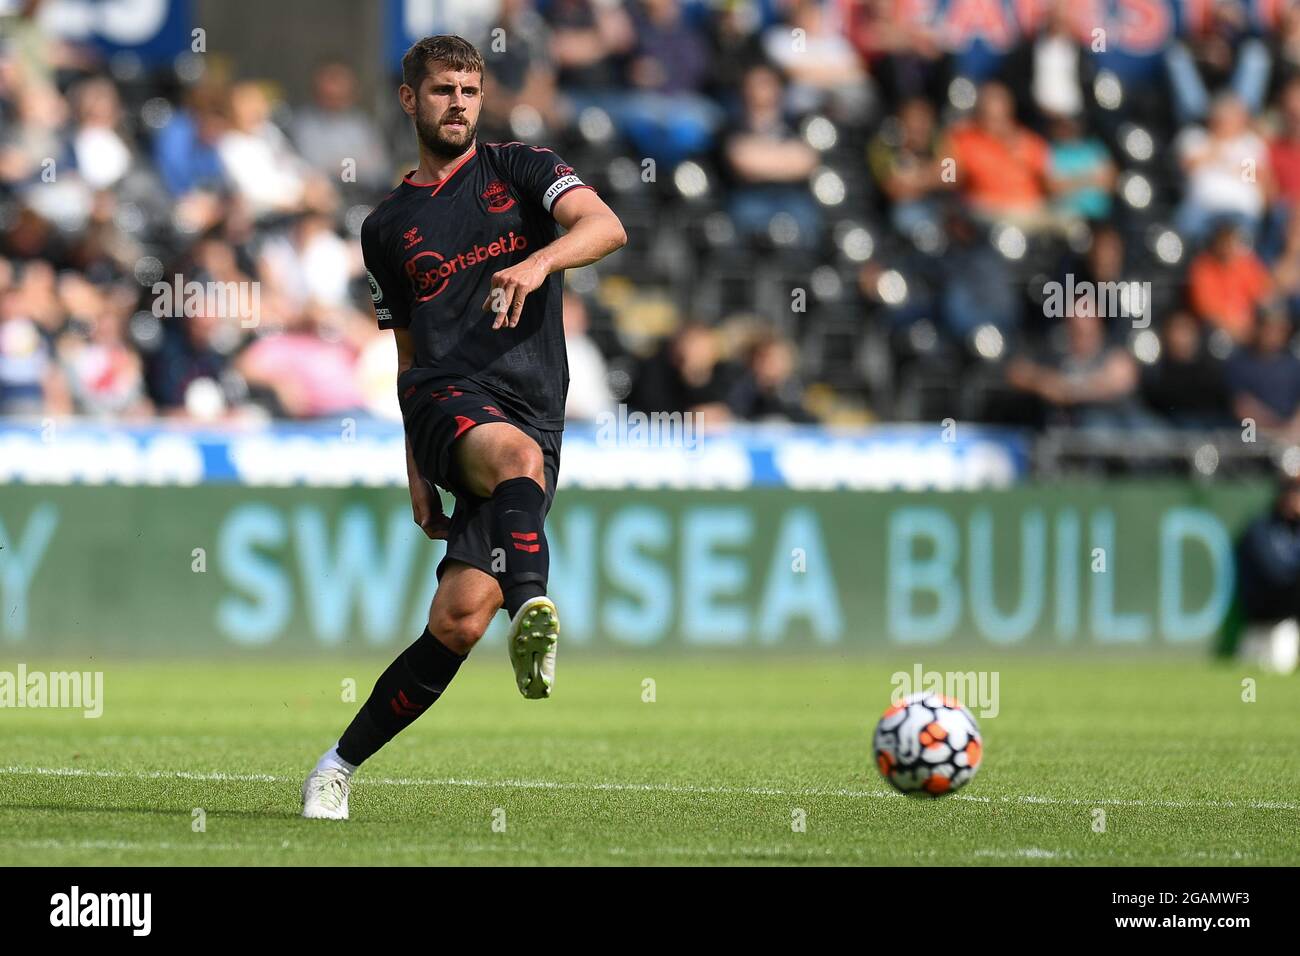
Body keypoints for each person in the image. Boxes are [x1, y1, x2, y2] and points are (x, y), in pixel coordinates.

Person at [301, 35, 626, 821]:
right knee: (511, 458)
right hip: (450, 401)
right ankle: (534, 609)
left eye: (470, 92)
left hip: (533, 409)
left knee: (455, 621)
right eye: (443, 90)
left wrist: (540, 262)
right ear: (410, 100)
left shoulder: (522, 168)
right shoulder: (386, 228)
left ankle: (333, 767)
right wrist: (418, 459)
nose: (459, 103)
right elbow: (408, 353)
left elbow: (606, 225)